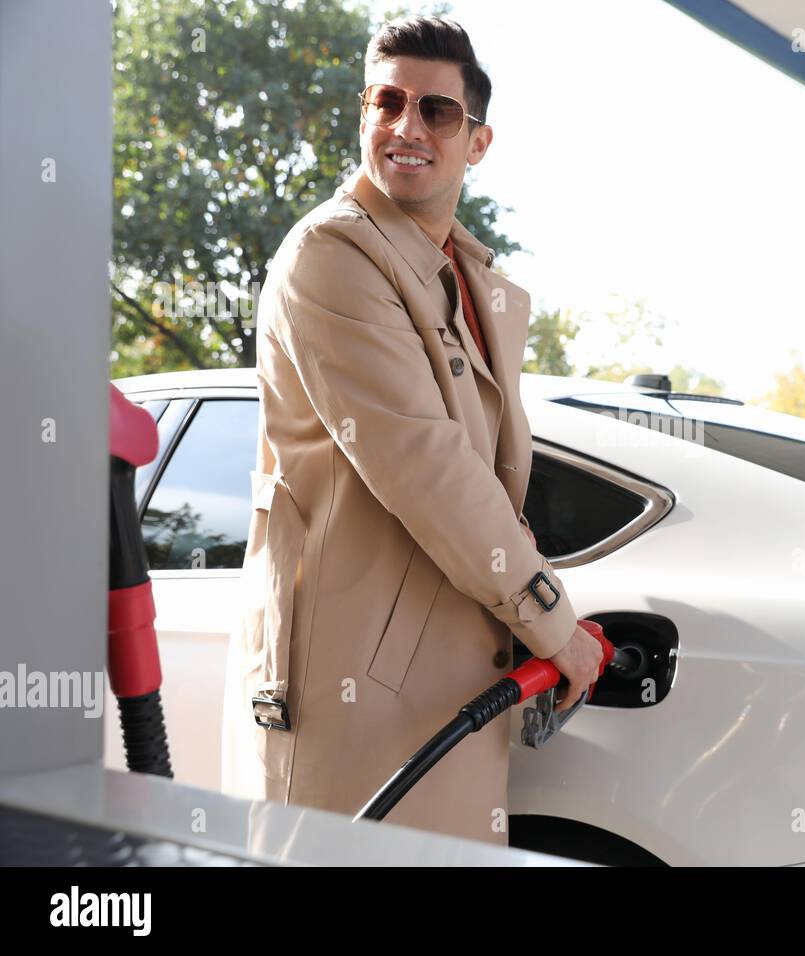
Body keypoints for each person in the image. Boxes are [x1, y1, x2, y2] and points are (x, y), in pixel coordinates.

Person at [220, 14, 604, 845]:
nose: (406, 126)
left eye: (436, 111)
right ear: (362, 114)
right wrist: (554, 623)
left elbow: (487, 475)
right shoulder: (329, 257)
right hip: (351, 692)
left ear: (479, 142)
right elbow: (430, 471)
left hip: (450, 691)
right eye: (386, 101)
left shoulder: (464, 275)